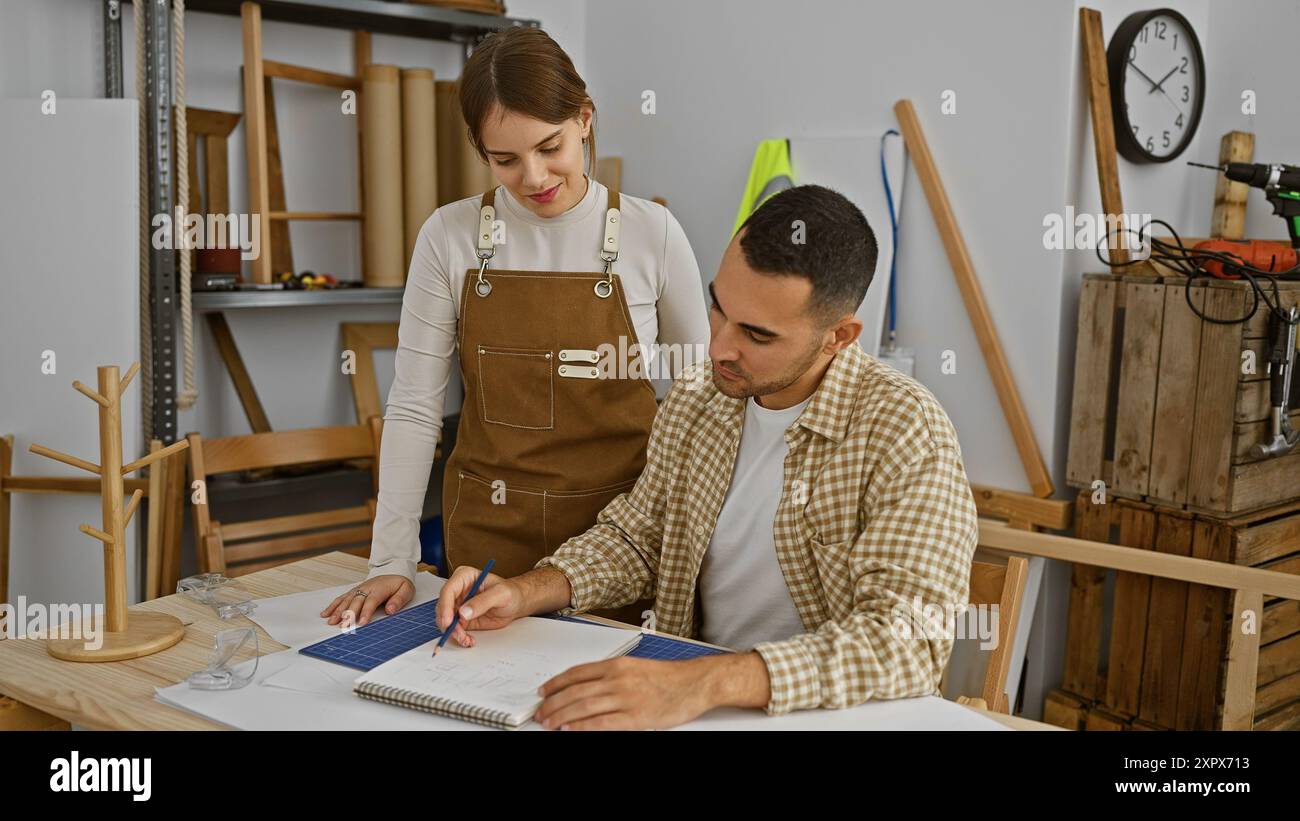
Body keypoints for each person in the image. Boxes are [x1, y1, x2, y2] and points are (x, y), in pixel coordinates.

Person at [433, 185, 980, 729]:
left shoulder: (906, 431)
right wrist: (526, 591)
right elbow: (638, 540)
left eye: (757, 335)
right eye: (719, 307)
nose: (718, 347)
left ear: (838, 335)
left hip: (824, 714)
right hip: (695, 698)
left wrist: (701, 683)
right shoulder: (700, 398)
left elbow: (906, 639)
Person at [322, 27, 709, 628]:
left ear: (584, 119)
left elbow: (699, 406)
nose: (533, 177)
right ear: (481, 151)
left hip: (617, 544)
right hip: (487, 541)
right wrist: (390, 558)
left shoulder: (651, 233)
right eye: (505, 160)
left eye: (550, 146)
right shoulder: (448, 237)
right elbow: (414, 408)